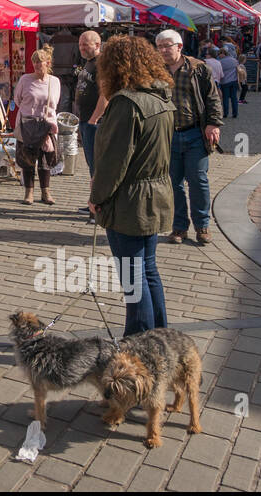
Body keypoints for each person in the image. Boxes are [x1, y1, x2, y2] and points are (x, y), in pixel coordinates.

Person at [87, 35, 174, 336]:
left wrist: (97, 197)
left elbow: (113, 163)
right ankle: (160, 337)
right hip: (155, 194)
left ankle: (138, 342)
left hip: (131, 200)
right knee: (147, 271)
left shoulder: (127, 103)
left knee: (134, 277)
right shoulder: (160, 97)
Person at [155, 29, 223, 246]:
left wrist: (213, 124)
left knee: (198, 181)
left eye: (167, 46)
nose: (164, 50)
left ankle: (202, 226)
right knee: (172, 184)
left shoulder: (197, 68)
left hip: (195, 133)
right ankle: (179, 227)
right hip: (167, 135)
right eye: (160, 47)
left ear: (179, 46)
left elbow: (212, 97)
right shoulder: (155, 70)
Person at [12, 48, 61, 206]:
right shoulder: (25, 79)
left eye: (40, 61)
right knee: (28, 159)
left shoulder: (54, 82)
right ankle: (29, 192)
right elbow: (17, 100)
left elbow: (55, 103)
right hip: (27, 125)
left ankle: (46, 192)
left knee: (45, 159)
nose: (36, 64)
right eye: (34, 61)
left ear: (48, 62)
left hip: (46, 125)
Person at [74, 30, 106, 185]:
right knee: (91, 163)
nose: (81, 48)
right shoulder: (89, 62)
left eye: (85, 44)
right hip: (86, 120)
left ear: (97, 45)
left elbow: (105, 94)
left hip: (95, 122)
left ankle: (97, 204)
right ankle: (94, 202)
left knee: (97, 164)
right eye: (80, 44)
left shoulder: (101, 63)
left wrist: (93, 119)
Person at [218, 42, 240, 120]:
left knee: (226, 98)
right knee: (234, 97)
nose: (219, 56)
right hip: (234, 81)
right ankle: (235, 113)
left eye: (219, 54)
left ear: (222, 54)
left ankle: (226, 113)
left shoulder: (220, 62)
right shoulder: (234, 60)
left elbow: (220, 72)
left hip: (225, 82)